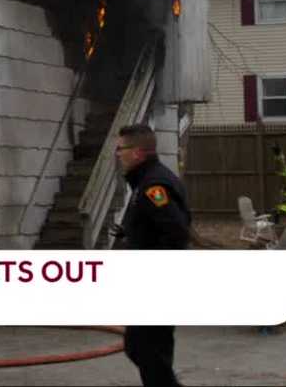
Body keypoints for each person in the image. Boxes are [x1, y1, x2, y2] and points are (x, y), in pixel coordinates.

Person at [113, 124, 190, 387]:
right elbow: (154, 228)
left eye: (121, 149)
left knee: (145, 348)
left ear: (137, 153)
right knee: (145, 348)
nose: (117, 154)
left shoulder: (153, 186)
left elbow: (176, 232)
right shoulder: (145, 182)